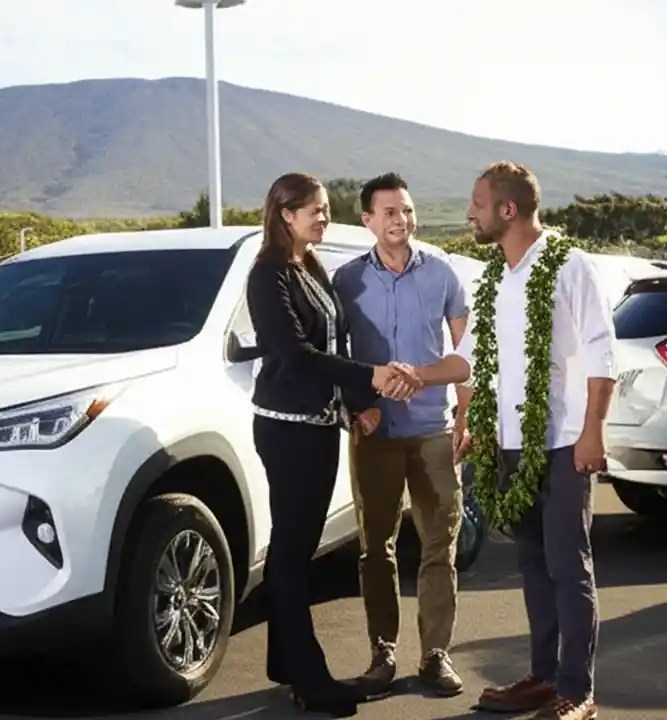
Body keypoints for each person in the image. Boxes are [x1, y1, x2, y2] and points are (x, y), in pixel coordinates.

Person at [414, 162, 615, 720]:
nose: (469, 213)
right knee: (531, 565)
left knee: (568, 567)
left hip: (565, 441)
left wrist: (593, 431)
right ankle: (543, 677)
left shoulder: (571, 265)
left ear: (507, 209)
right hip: (509, 445)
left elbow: (602, 355)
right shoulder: (496, 280)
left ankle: (577, 691)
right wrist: (419, 377)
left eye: (477, 203)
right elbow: (470, 360)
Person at [247, 172, 421, 717]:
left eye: (325, 209)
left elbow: (331, 342)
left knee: (292, 548)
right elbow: (297, 355)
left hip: (319, 424)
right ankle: (311, 679)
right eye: (315, 211)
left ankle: (285, 663)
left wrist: (355, 403)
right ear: (285, 214)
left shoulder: (309, 266)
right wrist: (372, 376)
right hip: (287, 429)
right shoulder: (268, 275)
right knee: (295, 554)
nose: (324, 217)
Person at [331, 172, 470, 699]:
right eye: (388, 212)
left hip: (433, 431)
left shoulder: (442, 274)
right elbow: (334, 358)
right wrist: (356, 406)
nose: (400, 220)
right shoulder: (345, 281)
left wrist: (466, 416)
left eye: (406, 210)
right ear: (367, 220)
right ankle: (381, 653)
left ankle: (436, 655)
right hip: (375, 432)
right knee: (375, 549)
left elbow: (466, 355)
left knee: (440, 546)